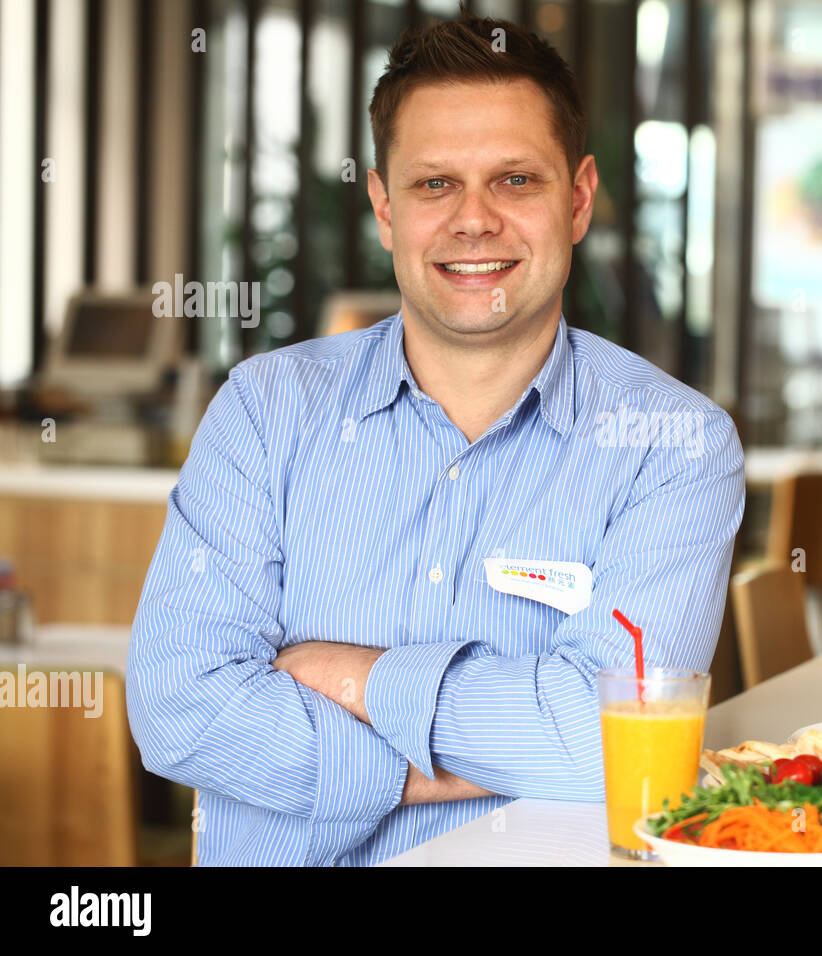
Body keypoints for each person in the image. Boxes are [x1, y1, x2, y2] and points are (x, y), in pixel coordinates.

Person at [126, 15, 744, 865]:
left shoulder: (674, 444)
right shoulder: (264, 411)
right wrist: (456, 758)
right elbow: (177, 709)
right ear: (384, 207)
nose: (474, 221)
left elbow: (611, 734)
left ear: (578, 199)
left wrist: (359, 676)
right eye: (434, 185)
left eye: (516, 179)